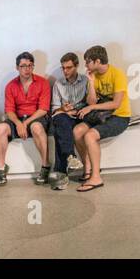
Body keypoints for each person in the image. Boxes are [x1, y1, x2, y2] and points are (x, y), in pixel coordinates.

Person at [72, 45, 131, 192]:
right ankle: (88, 168)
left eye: (88, 62)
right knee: (77, 131)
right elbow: (91, 101)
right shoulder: (94, 76)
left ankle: (96, 178)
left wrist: (92, 107)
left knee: (90, 136)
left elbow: (116, 104)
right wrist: (91, 83)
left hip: (119, 117)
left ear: (97, 61)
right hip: (102, 116)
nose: (86, 65)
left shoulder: (117, 74)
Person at [0, 52, 51, 186]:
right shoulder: (11, 85)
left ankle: (45, 166)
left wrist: (25, 123)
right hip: (17, 118)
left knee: (36, 127)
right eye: (23, 66)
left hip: (36, 117)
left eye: (30, 65)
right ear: (17, 68)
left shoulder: (42, 82)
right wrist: (18, 123)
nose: (27, 69)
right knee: (0, 128)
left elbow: (43, 109)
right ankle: (1, 168)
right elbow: (9, 110)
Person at [48, 52, 88, 189]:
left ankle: (61, 174)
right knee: (60, 121)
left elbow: (91, 103)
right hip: (65, 117)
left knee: (60, 132)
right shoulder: (58, 84)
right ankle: (71, 157)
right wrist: (63, 109)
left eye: (69, 67)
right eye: (63, 68)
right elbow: (54, 110)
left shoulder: (86, 81)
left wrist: (77, 110)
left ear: (76, 66)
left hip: (82, 116)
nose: (65, 71)